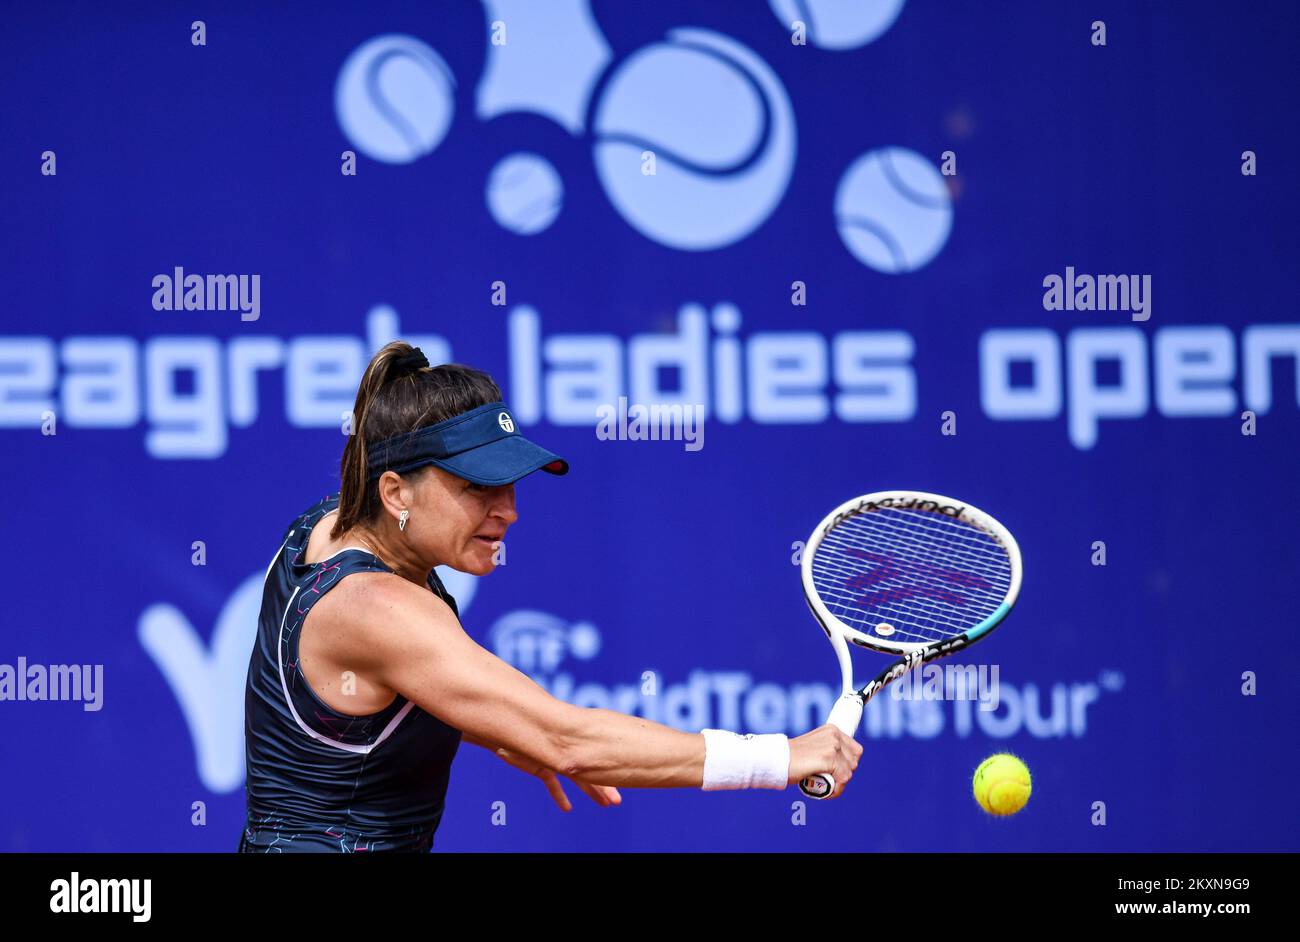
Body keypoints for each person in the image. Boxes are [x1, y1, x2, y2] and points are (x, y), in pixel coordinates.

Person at [240, 341, 860, 852]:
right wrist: (781, 757)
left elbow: (356, 704)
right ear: (397, 493)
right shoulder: (377, 608)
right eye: (477, 486)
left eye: (510, 483)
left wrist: (504, 732)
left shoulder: (325, 526)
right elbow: (571, 741)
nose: (507, 510)